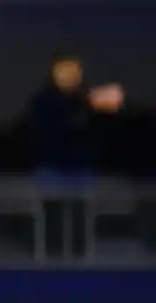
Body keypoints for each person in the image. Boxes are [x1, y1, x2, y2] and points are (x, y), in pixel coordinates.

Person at [25, 52, 123, 256]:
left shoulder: (87, 100)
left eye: (74, 71)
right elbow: (45, 130)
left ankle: (80, 255)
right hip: (52, 167)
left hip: (80, 168)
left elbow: (100, 130)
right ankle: (52, 256)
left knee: (81, 216)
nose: (69, 75)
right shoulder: (44, 99)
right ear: (54, 73)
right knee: (52, 215)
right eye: (64, 70)